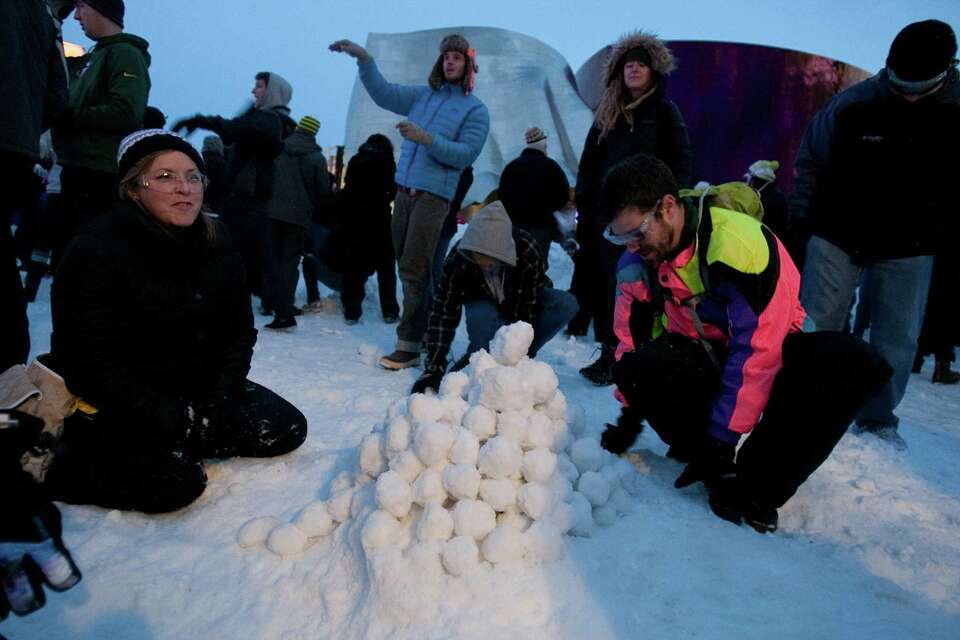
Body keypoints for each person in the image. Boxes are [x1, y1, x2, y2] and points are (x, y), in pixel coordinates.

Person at [598, 154, 891, 533]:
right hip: (704, 358)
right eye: (620, 238)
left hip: (777, 360)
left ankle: (756, 484)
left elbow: (758, 353)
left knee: (847, 362)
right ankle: (701, 451)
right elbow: (630, 342)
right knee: (637, 367)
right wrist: (630, 414)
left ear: (667, 208)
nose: (632, 247)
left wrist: (722, 443)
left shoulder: (739, 246)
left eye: (636, 234)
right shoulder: (637, 266)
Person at [42, 130, 307, 513]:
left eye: (192, 176)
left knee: (285, 427)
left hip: (196, 387)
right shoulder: (95, 252)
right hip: (120, 399)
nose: (184, 188)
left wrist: (220, 395)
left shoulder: (218, 244)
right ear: (134, 188)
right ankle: (55, 467)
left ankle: (185, 436)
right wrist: (172, 415)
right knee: (175, 481)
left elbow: (238, 334)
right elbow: (92, 366)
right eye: (164, 177)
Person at [788, 20, 960, 449]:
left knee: (897, 337)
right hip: (838, 232)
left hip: (912, 243)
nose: (908, 93)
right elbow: (811, 160)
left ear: (944, 73)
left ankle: (878, 417)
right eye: (900, 82)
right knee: (816, 322)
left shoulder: (956, 113)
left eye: (918, 85)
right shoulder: (853, 105)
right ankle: (801, 402)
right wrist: (802, 220)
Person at [330, 34, 490, 370]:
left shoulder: (475, 110)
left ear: (467, 65)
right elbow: (384, 92)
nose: (449, 61)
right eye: (445, 56)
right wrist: (364, 59)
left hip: (434, 197)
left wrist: (426, 139)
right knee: (409, 267)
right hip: (403, 193)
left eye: (456, 57)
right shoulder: (423, 97)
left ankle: (410, 343)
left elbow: (465, 155)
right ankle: (434, 335)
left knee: (415, 270)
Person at [568, 31, 693, 387]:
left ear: (654, 70)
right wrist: (587, 212)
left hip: (650, 220)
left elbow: (681, 162)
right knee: (611, 286)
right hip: (609, 219)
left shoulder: (666, 113)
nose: (633, 69)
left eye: (640, 63)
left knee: (645, 287)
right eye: (627, 64)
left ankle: (646, 354)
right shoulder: (607, 115)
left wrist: (670, 214)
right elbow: (589, 166)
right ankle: (611, 352)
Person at [411, 201, 579, 394]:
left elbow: (528, 308)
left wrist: (515, 354)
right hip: (482, 304)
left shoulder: (526, 249)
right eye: (478, 259)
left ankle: (516, 357)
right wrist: (434, 368)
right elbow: (443, 313)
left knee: (566, 303)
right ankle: (477, 357)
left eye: (491, 261)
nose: (485, 266)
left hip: (519, 302)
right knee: (481, 316)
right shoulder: (459, 258)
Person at [172, 71, 296, 308]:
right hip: (249, 197)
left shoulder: (268, 120)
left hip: (246, 198)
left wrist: (199, 120)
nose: (253, 91)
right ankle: (281, 309)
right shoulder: (267, 119)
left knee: (220, 249)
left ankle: (206, 303)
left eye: (259, 86)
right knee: (261, 256)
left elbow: (234, 129)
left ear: (272, 92)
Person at [1, 0, 69, 372]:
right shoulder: (42, 16)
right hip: (16, 147)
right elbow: (58, 94)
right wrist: (23, 124)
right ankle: (9, 367)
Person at [53, 0, 151, 237]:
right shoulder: (93, 56)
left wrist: (69, 117)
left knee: (84, 253)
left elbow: (126, 112)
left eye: (80, 8)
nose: (76, 17)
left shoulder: (125, 54)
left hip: (98, 174)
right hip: (76, 167)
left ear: (99, 9)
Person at [307, 133, 398, 324]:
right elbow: (393, 190)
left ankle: (352, 311)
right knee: (386, 266)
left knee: (354, 263)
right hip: (379, 218)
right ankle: (389, 310)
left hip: (352, 218)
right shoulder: (387, 162)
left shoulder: (357, 159)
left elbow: (348, 185)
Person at [261, 115, 331, 329]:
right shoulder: (316, 158)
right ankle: (285, 308)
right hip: (298, 217)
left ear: (299, 128)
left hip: (272, 212)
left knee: (271, 258)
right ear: (314, 133)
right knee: (289, 262)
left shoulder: (279, 150)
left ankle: (268, 302)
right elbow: (323, 191)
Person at [498, 127, 571, 262]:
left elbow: (501, 198)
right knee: (537, 265)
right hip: (542, 227)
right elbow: (562, 198)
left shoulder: (511, 167)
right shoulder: (551, 166)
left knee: (515, 265)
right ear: (543, 144)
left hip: (515, 228)